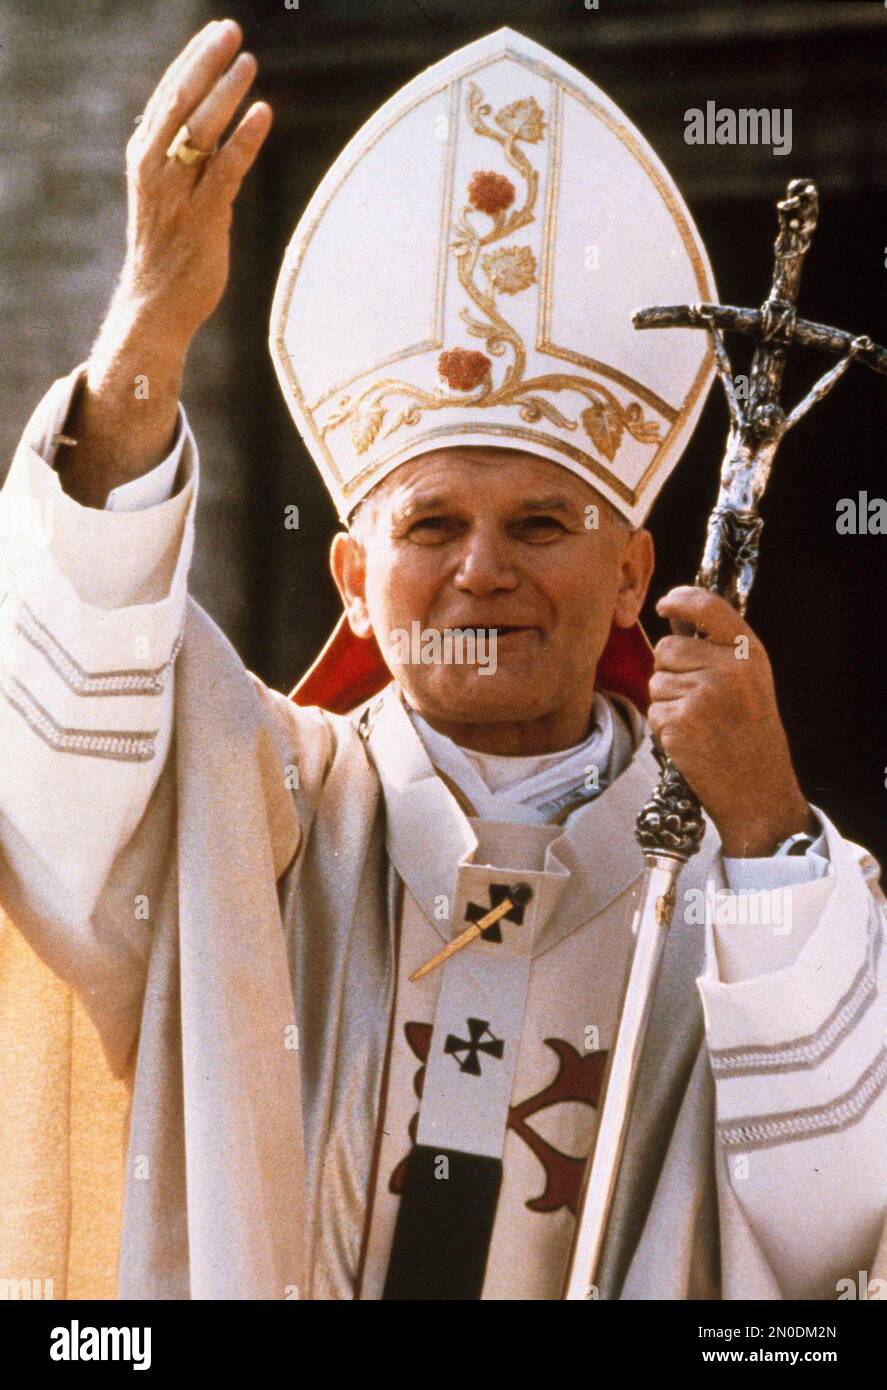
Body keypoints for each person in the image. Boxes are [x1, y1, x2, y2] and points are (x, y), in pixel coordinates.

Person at [1, 20, 884, 1302]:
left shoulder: (758, 888)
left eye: (540, 525)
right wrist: (145, 336)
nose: (482, 572)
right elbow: (64, 769)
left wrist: (758, 823)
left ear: (632, 575)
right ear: (354, 583)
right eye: (429, 526)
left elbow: (831, 1231)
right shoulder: (254, 820)